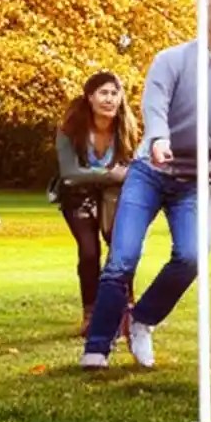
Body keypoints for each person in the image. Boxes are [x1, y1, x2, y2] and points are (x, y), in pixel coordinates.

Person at [80, 0, 211, 369]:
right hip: (151, 171)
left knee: (192, 256)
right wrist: (159, 139)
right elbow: (156, 104)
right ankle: (98, 347)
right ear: (204, 11)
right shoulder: (171, 59)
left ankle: (142, 320)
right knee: (122, 259)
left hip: (197, 181)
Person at [52, 71, 140, 335]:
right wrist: (109, 174)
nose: (109, 99)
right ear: (90, 97)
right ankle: (90, 314)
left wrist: (118, 178)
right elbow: (70, 172)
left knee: (121, 248)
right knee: (89, 252)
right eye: (103, 93)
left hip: (113, 195)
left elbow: (131, 166)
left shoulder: (126, 127)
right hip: (77, 195)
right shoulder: (69, 128)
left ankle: (127, 309)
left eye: (114, 93)